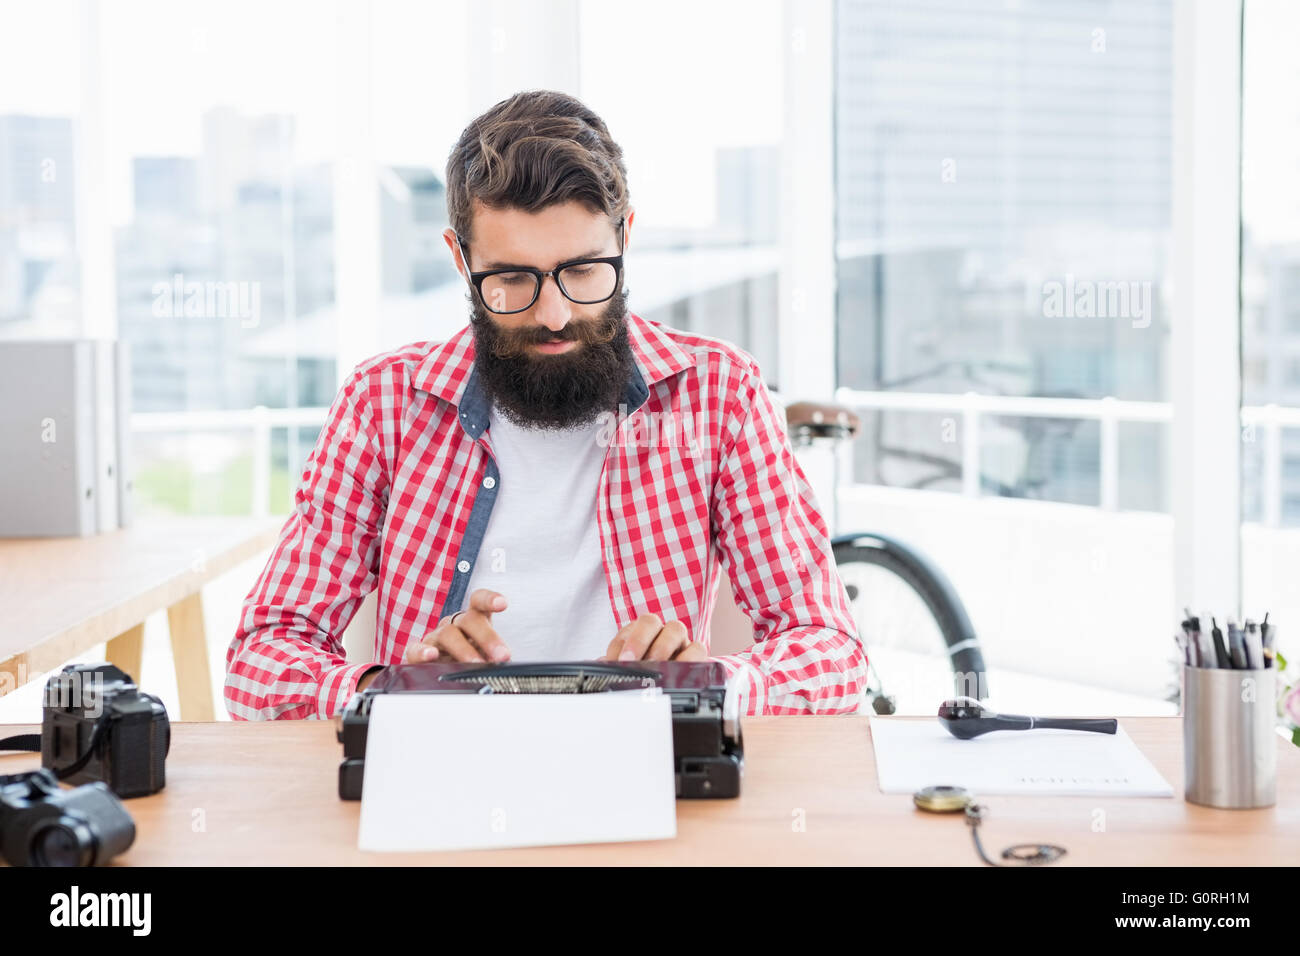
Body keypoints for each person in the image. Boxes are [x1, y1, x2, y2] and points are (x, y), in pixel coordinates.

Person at [224, 89, 867, 720]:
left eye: (583, 271)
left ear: (625, 237)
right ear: (460, 259)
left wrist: (705, 687)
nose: (555, 315)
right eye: (511, 279)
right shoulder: (382, 405)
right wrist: (392, 693)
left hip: (644, 764)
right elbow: (259, 660)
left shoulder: (720, 394)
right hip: (443, 765)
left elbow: (830, 648)